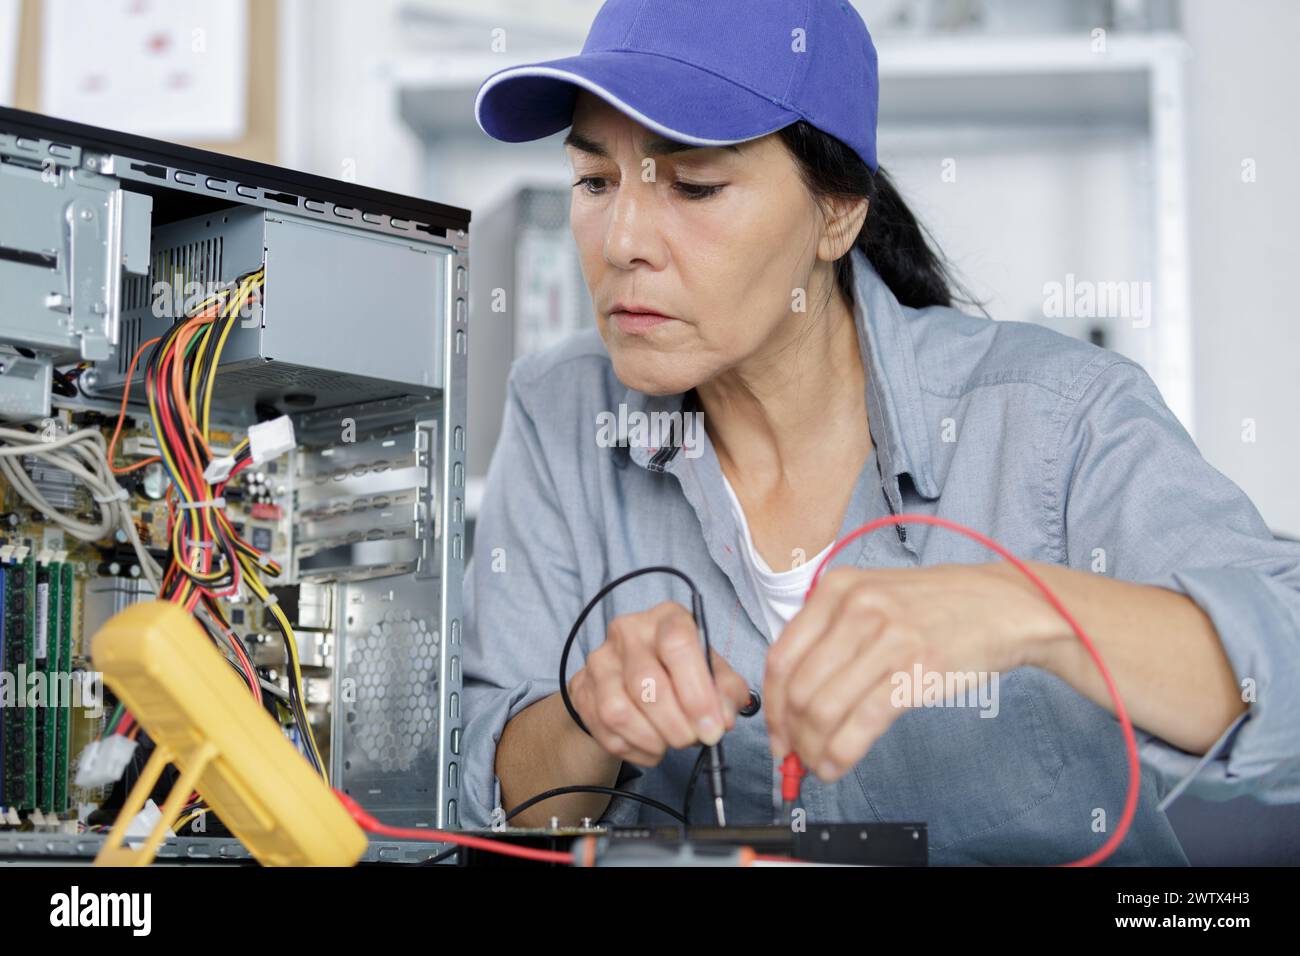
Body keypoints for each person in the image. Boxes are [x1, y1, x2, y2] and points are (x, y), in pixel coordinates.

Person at [459, 0, 1300, 864]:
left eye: (697, 185)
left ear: (837, 212)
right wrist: (591, 714)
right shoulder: (557, 412)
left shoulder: (1056, 414)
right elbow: (500, 794)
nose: (623, 240)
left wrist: (1031, 611)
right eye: (596, 182)